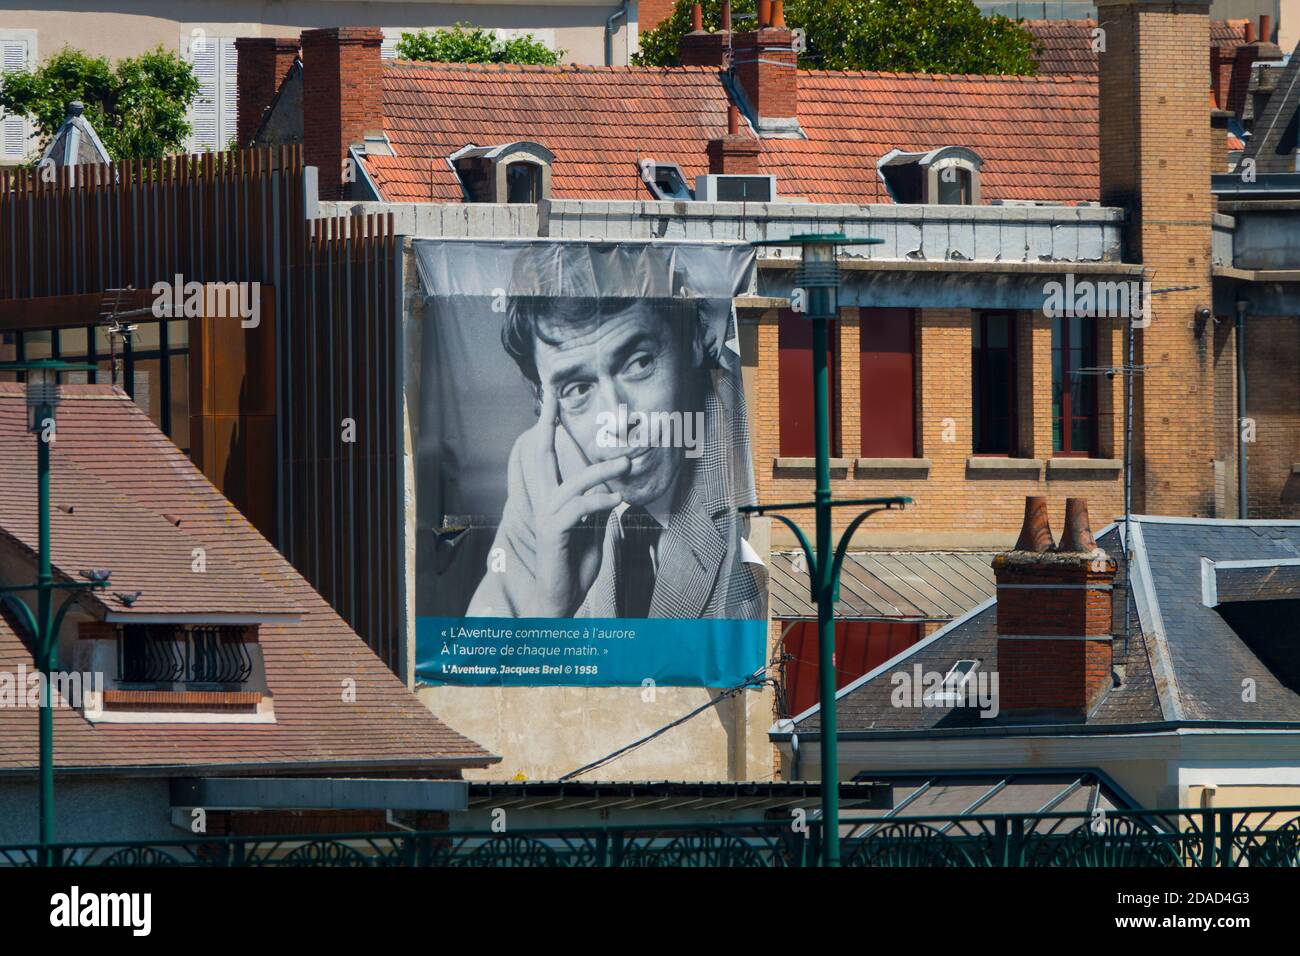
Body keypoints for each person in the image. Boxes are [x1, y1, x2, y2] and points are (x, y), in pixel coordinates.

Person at [466, 296, 764, 620]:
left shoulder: (750, 461)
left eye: (639, 363)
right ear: (543, 400)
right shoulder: (539, 468)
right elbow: (473, 664)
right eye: (577, 389)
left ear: (692, 337)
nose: (618, 421)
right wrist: (549, 614)